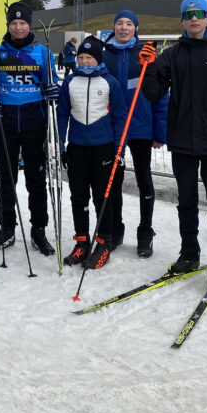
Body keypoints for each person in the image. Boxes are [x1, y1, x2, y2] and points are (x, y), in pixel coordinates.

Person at [141, 0, 207, 287]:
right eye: (188, 15)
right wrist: (149, 67)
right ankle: (189, 253)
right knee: (186, 201)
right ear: (182, 20)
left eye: (199, 14)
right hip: (183, 141)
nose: (194, 19)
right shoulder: (173, 54)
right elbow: (153, 93)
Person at [0, 1, 59, 255]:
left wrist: (52, 91)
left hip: (34, 119)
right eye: (13, 23)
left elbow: (52, 83)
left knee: (36, 178)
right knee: (5, 177)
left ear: (29, 24)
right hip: (5, 120)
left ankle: (39, 230)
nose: (18, 27)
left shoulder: (41, 52)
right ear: (8, 25)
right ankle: (7, 229)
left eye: (22, 23)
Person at [56, 36, 127, 269]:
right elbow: (63, 113)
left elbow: (120, 118)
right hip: (77, 148)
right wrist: (61, 143)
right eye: (81, 58)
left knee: (102, 197)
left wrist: (119, 150)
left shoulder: (110, 83)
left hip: (103, 148)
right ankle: (81, 242)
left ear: (98, 59)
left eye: (89, 58)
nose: (85, 62)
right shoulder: (69, 82)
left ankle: (103, 243)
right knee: (78, 197)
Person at [102, 10, 168, 258]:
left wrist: (159, 132)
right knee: (113, 179)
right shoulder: (103, 53)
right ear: (113, 27)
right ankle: (115, 229)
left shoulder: (146, 54)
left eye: (129, 24)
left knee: (143, 178)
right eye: (119, 23)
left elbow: (161, 96)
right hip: (113, 128)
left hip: (141, 127)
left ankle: (145, 231)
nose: (123, 27)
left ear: (135, 28)